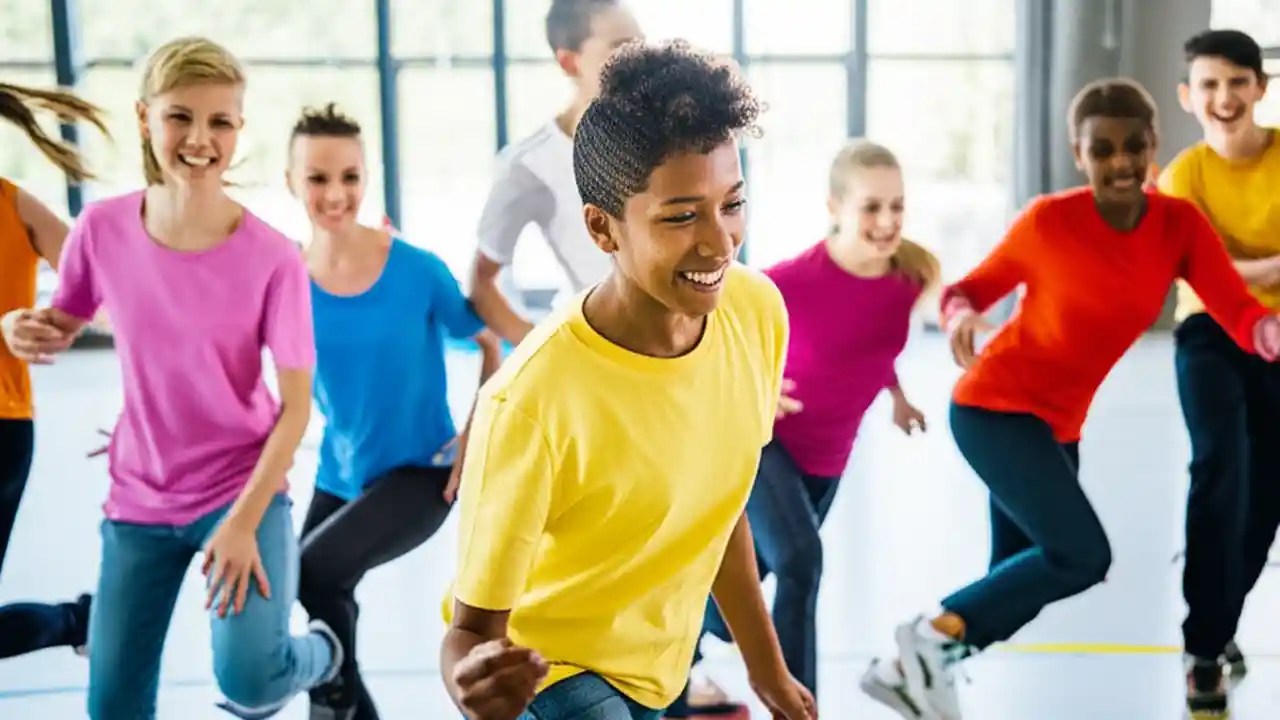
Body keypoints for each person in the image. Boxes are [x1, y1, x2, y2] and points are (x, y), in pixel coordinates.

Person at [861, 77, 1280, 720]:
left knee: (1018, 582)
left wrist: (1267, 332)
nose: (1121, 162)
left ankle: (906, 667)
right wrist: (963, 319)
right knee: (1082, 556)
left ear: (1153, 147)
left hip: (1059, 427)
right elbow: (965, 291)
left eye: (1134, 146)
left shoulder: (1178, 226)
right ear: (1078, 153)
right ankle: (921, 641)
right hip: (993, 409)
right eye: (1103, 148)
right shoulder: (1049, 221)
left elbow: (1237, 309)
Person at [439, 40, 817, 720]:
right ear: (602, 229)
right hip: (552, 674)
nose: (720, 242)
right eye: (680, 216)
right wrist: (473, 687)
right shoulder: (531, 400)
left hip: (661, 667)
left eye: (731, 204)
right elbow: (470, 631)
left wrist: (768, 673)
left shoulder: (755, 312)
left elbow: (723, 506)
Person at [0, 37, 340, 720]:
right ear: (145, 119)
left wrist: (243, 524)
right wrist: (17, 326)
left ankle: (324, 652)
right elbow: (62, 321)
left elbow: (297, 410)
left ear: (239, 131)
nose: (199, 138)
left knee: (250, 681)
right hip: (140, 501)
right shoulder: (101, 229)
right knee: (113, 709)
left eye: (220, 122)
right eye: (180, 116)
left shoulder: (274, 259)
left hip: (239, 493)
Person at [667, 140, 938, 717]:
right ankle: (796, 707)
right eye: (871, 207)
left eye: (897, 206)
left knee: (730, 597)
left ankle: (678, 652)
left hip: (827, 459)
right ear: (835, 206)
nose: (887, 221)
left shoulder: (909, 279)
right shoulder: (784, 283)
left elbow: (869, 342)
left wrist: (898, 395)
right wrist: (754, 397)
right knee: (801, 560)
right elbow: (707, 341)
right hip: (766, 445)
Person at [284, 102, 502, 720]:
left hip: (423, 473)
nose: (336, 193)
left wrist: (474, 435)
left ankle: (335, 700)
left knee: (310, 573)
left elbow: (488, 340)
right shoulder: (287, 279)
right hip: (339, 470)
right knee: (317, 588)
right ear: (291, 182)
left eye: (350, 176)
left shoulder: (414, 268)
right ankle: (343, 706)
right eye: (318, 178)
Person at [1158, 28, 1279, 714]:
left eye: (1237, 82)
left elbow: (1219, 261)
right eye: (1209, 84)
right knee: (1219, 470)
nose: (1224, 97)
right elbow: (1198, 272)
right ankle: (1203, 649)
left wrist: (1242, 268)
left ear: (1259, 88)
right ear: (1188, 96)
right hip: (1210, 330)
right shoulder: (1186, 175)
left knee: (1264, 496)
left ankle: (1221, 627)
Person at [0, 81, 107, 661]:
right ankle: (81, 620)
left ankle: (80, 620)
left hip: (2, 427)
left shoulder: (15, 206)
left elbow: (109, 290)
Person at [469, 0, 641, 344]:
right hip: (604, 353)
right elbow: (481, 282)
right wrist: (545, 350)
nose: (638, 58)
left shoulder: (666, 134)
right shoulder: (530, 164)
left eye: (641, 43)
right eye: (621, 47)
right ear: (569, 61)